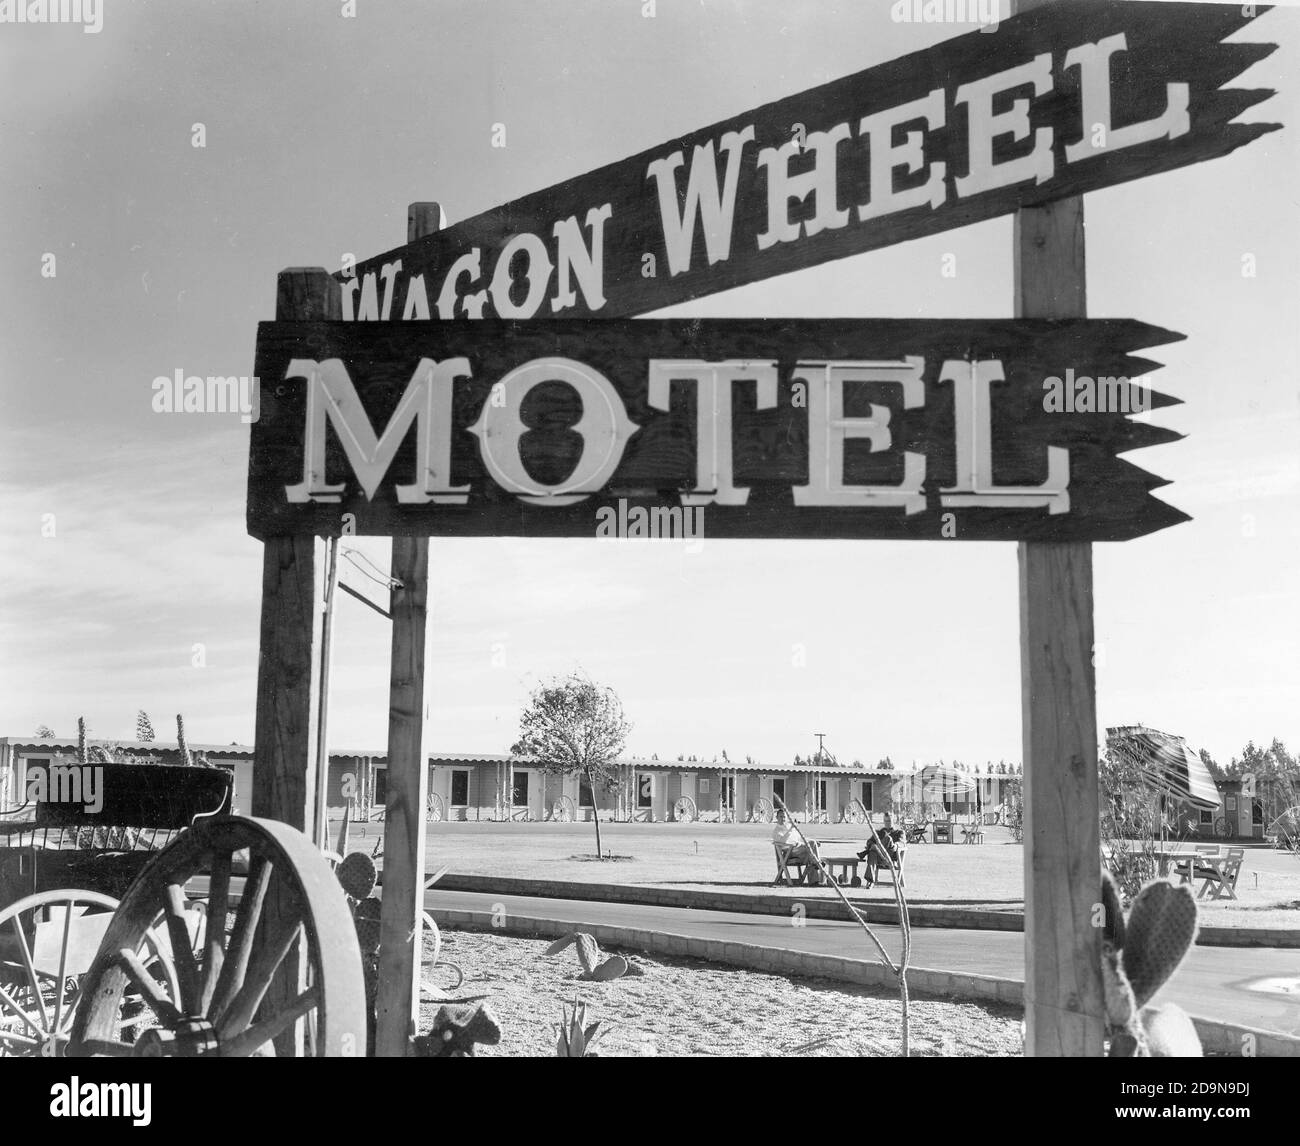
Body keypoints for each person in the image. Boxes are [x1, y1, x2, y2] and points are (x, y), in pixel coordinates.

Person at [857, 812, 906, 887]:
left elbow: (902, 843)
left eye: (889, 821)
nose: (887, 823)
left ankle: (866, 852)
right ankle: (870, 881)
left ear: (894, 820)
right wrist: (871, 844)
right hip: (879, 858)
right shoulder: (879, 832)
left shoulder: (899, 832)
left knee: (887, 839)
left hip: (890, 858)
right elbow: (869, 841)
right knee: (872, 853)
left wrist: (895, 845)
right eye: (885, 821)